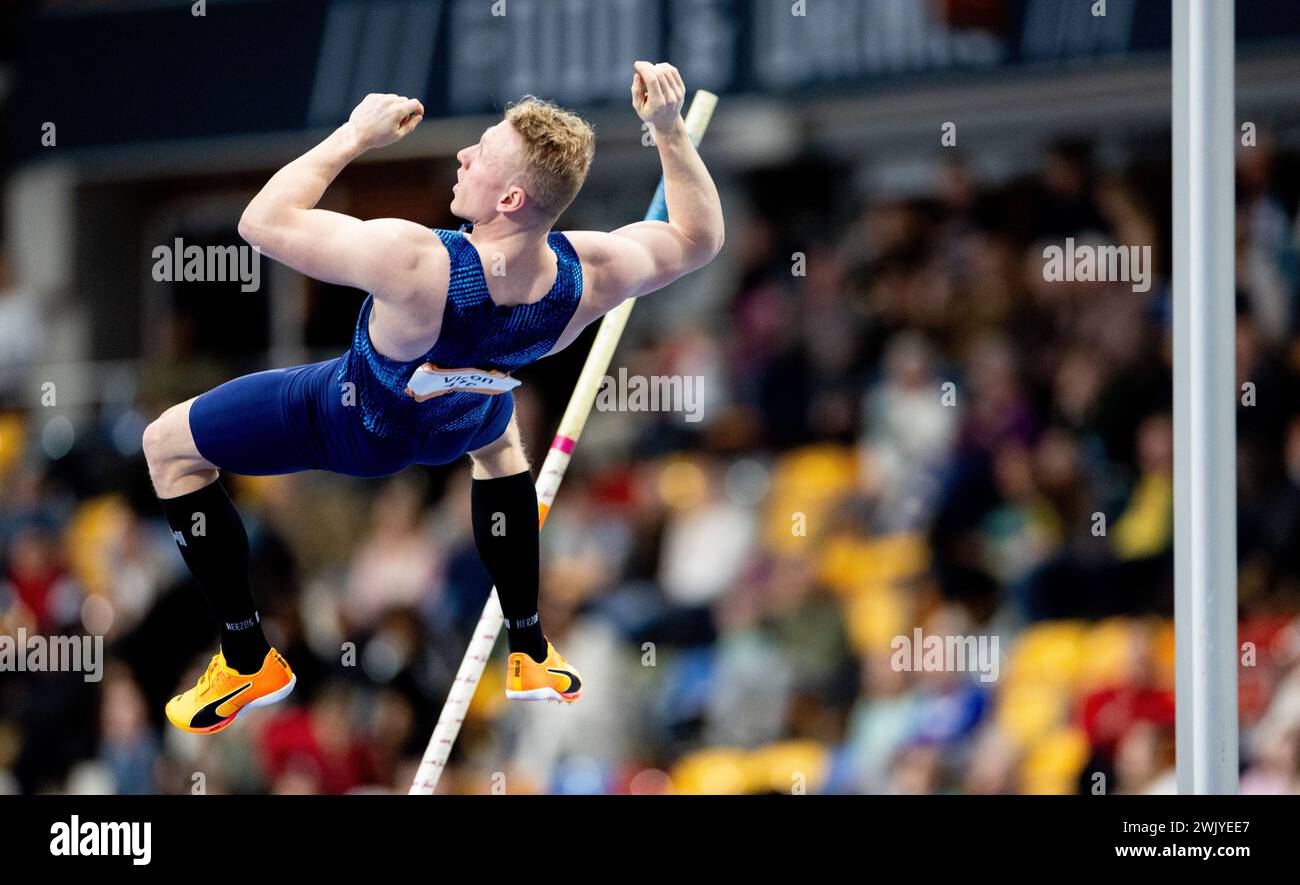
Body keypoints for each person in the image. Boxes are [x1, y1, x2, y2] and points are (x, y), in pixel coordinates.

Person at [142, 61, 724, 734]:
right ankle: (529, 647)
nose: (463, 153)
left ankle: (246, 654)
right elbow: (697, 238)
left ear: (509, 199)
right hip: (460, 420)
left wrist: (354, 136)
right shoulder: (588, 276)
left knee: (167, 447)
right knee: (501, 443)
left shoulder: (414, 261)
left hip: (356, 423)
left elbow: (262, 222)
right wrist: (668, 129)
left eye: (480, 155)